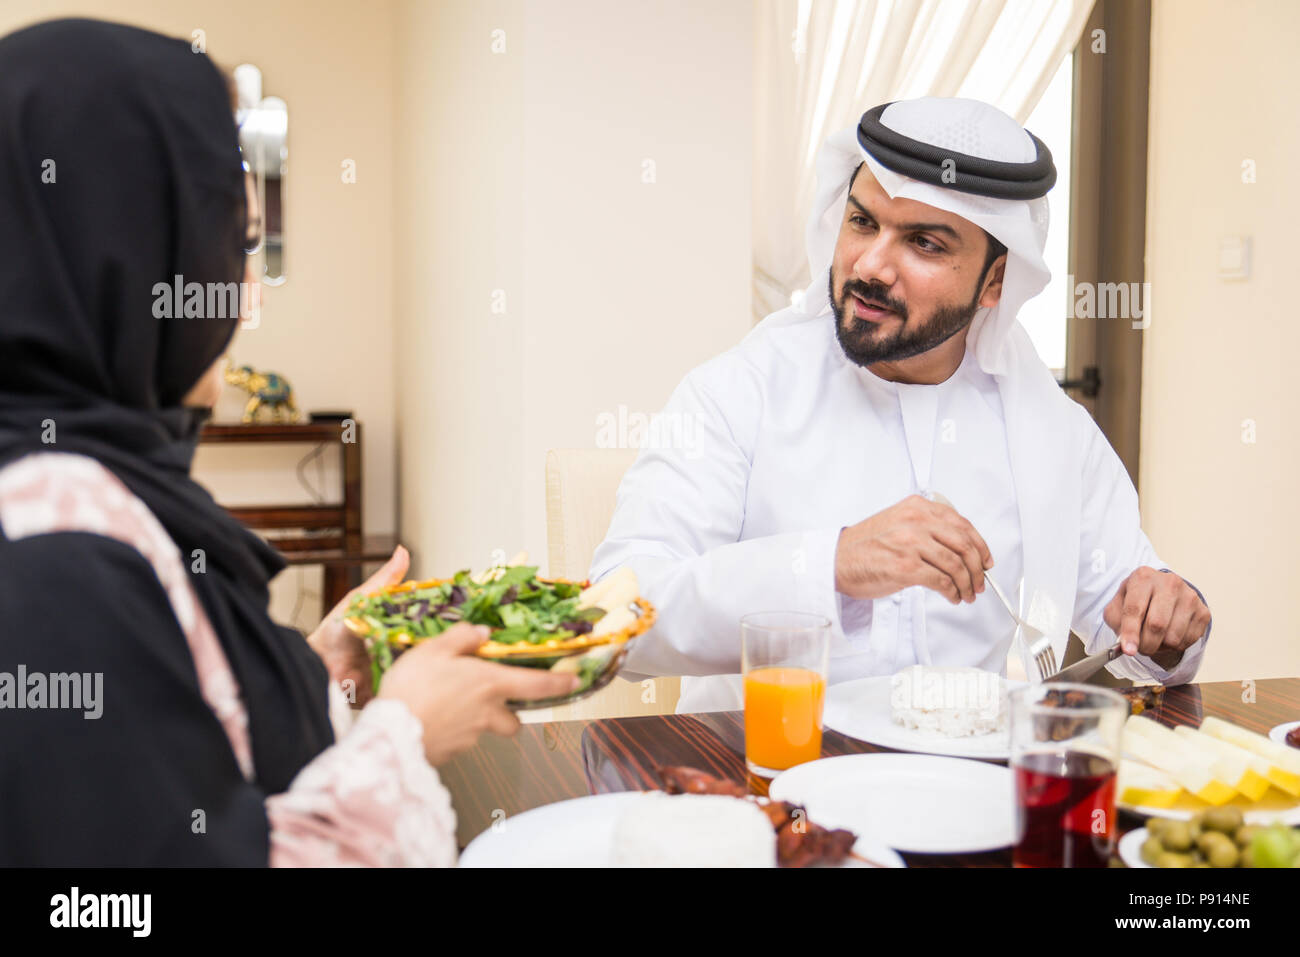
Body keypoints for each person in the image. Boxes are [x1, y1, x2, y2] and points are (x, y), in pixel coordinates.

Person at [0, 17, 577, 866]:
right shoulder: (53, 560)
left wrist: (319, 667)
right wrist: (403, 737)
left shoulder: (68, 484)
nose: (237, 301)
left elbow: (161, 743)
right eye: (227, 245)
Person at [591, 97, 1211, 712]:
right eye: (862, 222)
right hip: (763, 778)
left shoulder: (1049, 428)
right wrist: (831, 564)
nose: (870, 265)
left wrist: (1170, 623)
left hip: (969, 784)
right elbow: (619, 618)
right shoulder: (737, 392)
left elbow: (1133, 634)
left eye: (924, 243)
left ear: (994, 283)